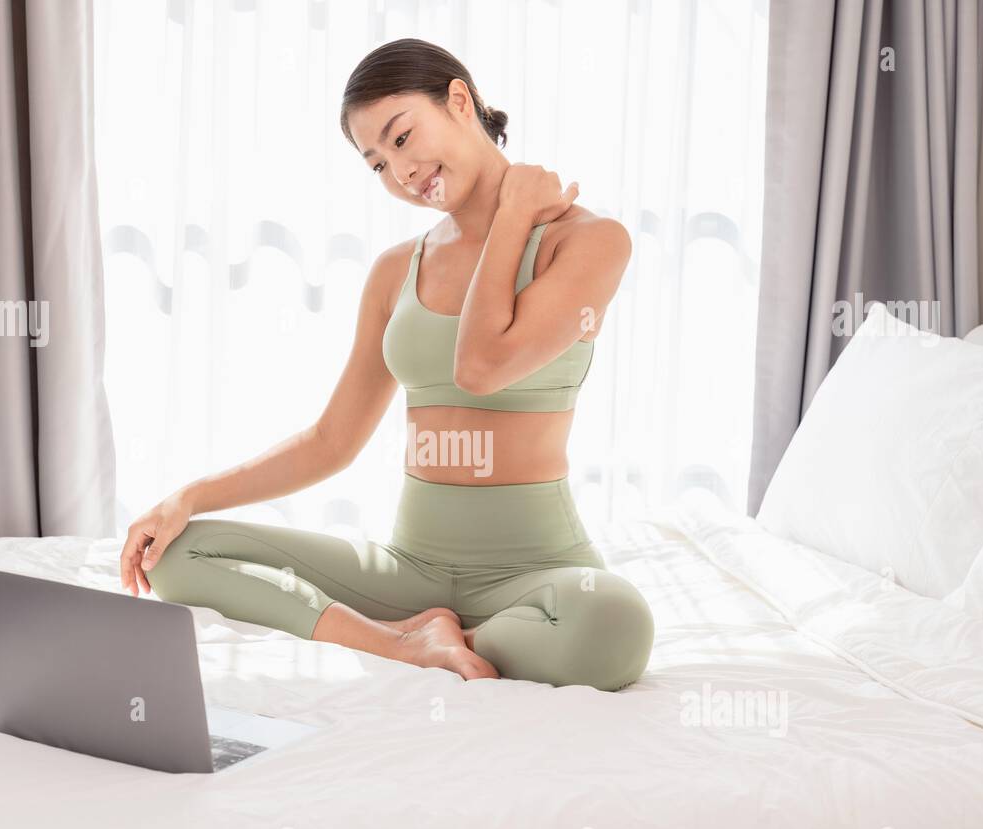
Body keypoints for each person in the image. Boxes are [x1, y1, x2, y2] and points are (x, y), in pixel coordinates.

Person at [120, 38, 654, 690]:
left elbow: (482, 366)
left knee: (614, 623)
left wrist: (513, 214)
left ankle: (469, 638)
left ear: (461, 100)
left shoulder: (589, 242)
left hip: (537, 570)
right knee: (175, 556)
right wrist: (184, 498)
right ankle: (405, 642)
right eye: (376, 164)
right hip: (411, 572)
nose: (400, 172)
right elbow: (332, 441)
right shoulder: (395, 272)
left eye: (401, 139)